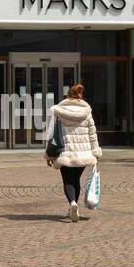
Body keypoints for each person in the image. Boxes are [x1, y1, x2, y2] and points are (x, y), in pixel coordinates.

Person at [45, 83, 102, 223]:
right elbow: (92, 134)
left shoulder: (58, 111)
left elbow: (51, 134)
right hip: (83, 154)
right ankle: (73, 208)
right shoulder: (87, 112)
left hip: (66, 154)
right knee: (76, 180)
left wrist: (49, 154)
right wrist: (96, 152)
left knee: (68, 181)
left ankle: (72, 203)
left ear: (68, 96)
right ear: (80, 96)